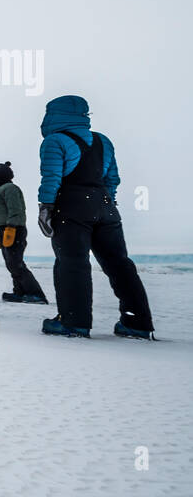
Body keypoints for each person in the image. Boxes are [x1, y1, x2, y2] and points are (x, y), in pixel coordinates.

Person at [36, 95, 154, 339]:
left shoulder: (54, 141)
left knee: (72, 263)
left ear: (53, 115)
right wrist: (104, 202)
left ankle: (74, 322)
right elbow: (112, 178)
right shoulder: (103, 141)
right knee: (120, 264)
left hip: (71, 208)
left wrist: (45, 207)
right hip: (105, 206)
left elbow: (51, 178)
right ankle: (137, 322)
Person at [0, 161, 47, 304]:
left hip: (15, 229)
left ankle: (36, 294)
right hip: (6, 228)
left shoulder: (10, 188)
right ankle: (20, 292)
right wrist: (2, 230)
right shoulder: (1, 188)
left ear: (0, 175)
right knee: (11, 263)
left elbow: (15, 209)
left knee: (16, 263)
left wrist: (11, 227)